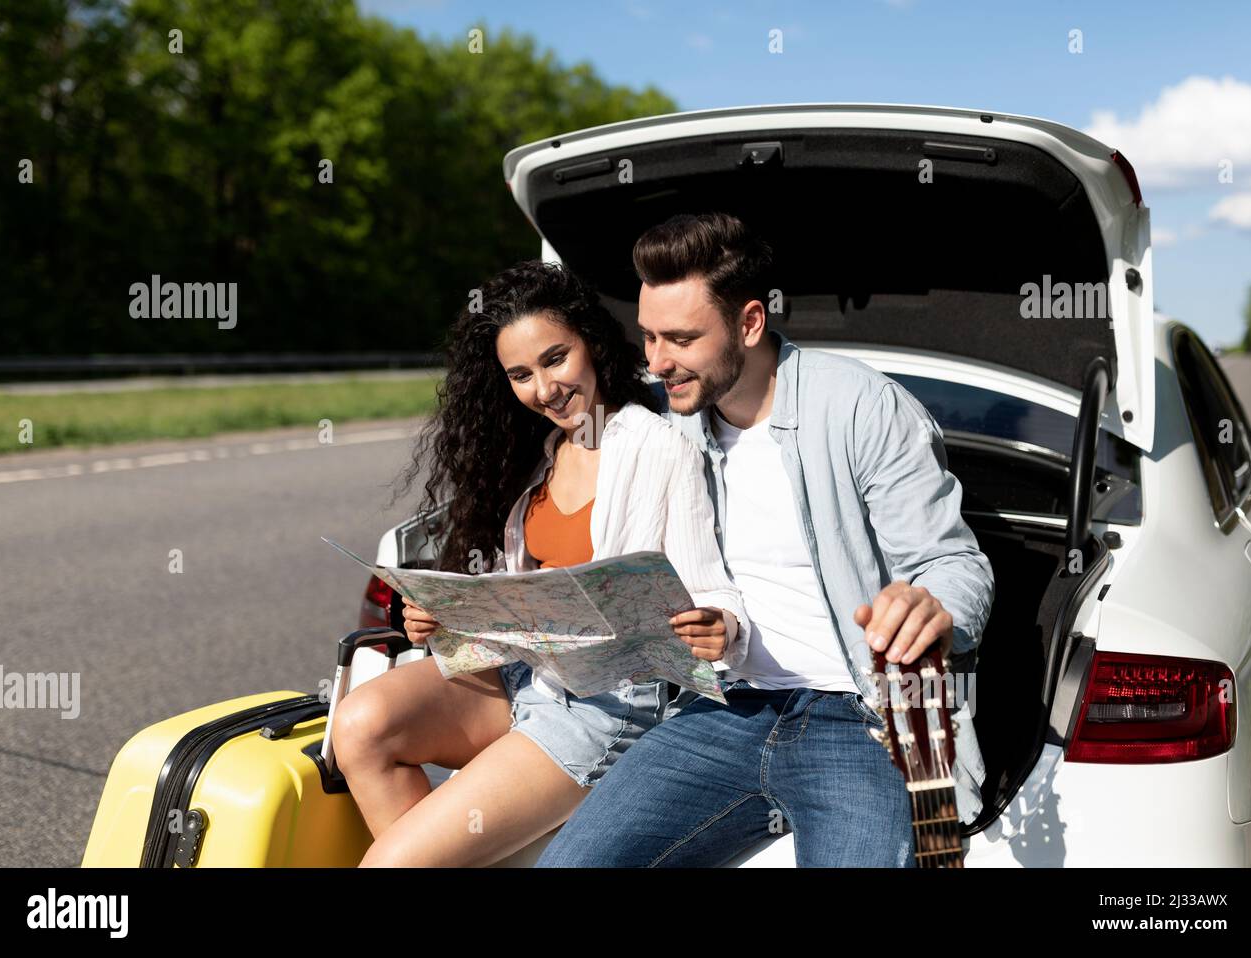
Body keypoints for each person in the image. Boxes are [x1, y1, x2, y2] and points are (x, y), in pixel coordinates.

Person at [537, 212, 996, 868]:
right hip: (727, 710)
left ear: (750, 323)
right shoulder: (672, 428)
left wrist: (935, 606)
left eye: (680, 338)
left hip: (861, 722)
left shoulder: (862, 407)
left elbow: (953, 562)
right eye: (647, 336)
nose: (656, 361)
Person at [331, 260, 749, 867]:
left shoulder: (660, 446)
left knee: (392, 864)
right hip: (525, 675)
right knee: (361, 723)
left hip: (609, 702)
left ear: (593, 344)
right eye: (520, 375)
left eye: (555, 359)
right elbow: (521, 609)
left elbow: (713, 587)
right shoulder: (541, 457)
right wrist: (443, 622)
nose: (544, 389)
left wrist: (719, 623)